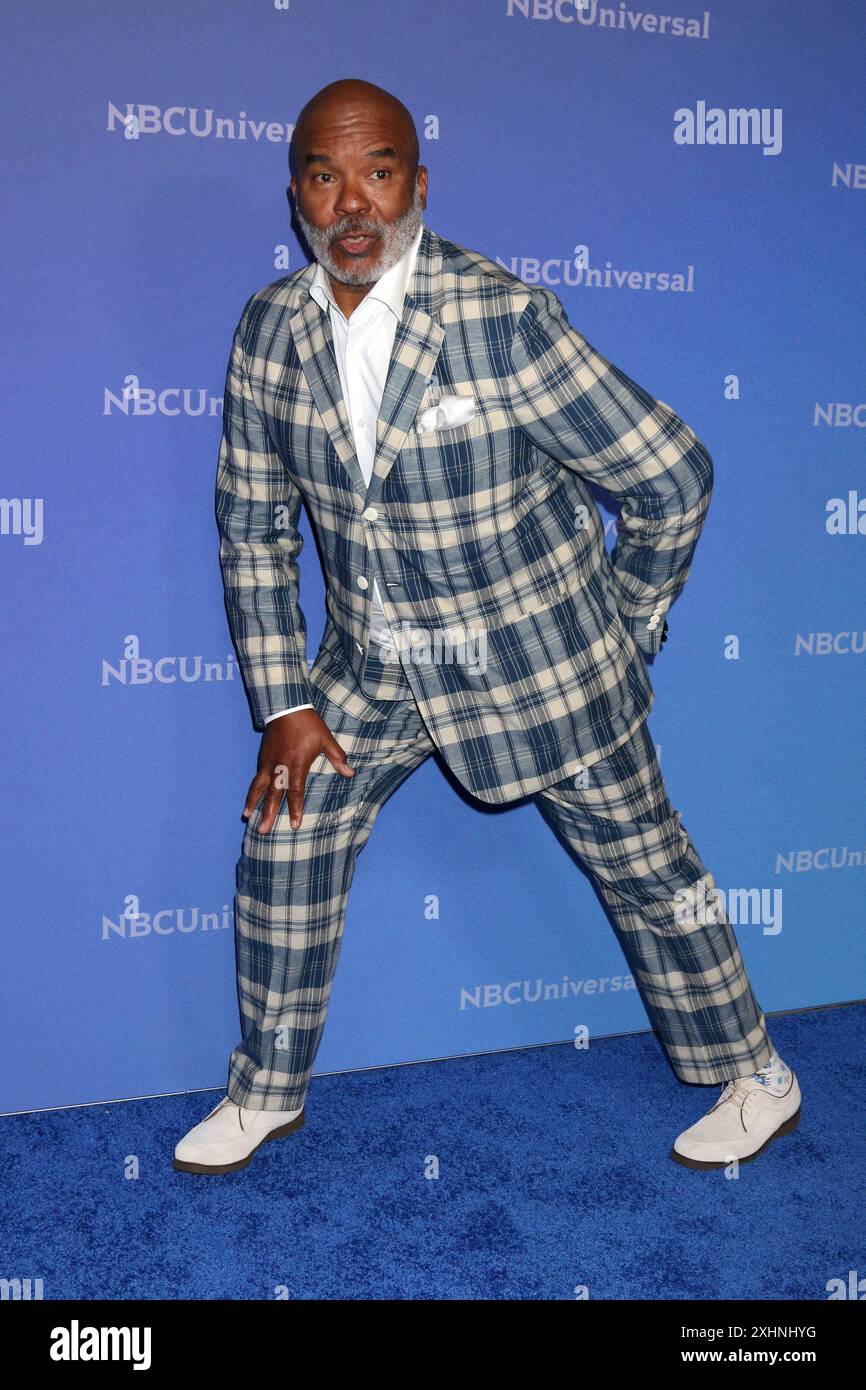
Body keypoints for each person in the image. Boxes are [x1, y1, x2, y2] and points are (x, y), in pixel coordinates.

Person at [174, 78, 800, 1175]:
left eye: (377, 173)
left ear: (417, 185)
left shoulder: (499, 317)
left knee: (648, 868)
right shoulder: (268, 332)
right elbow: (252, 529)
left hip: (541, 660)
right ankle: (265, 1090)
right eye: (325, 176)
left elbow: (672, 474)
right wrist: (285, 699)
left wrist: (623, 628)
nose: (352, 204)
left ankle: (754, 1071)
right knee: (286, 832)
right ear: (296, 198)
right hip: (374, 668)